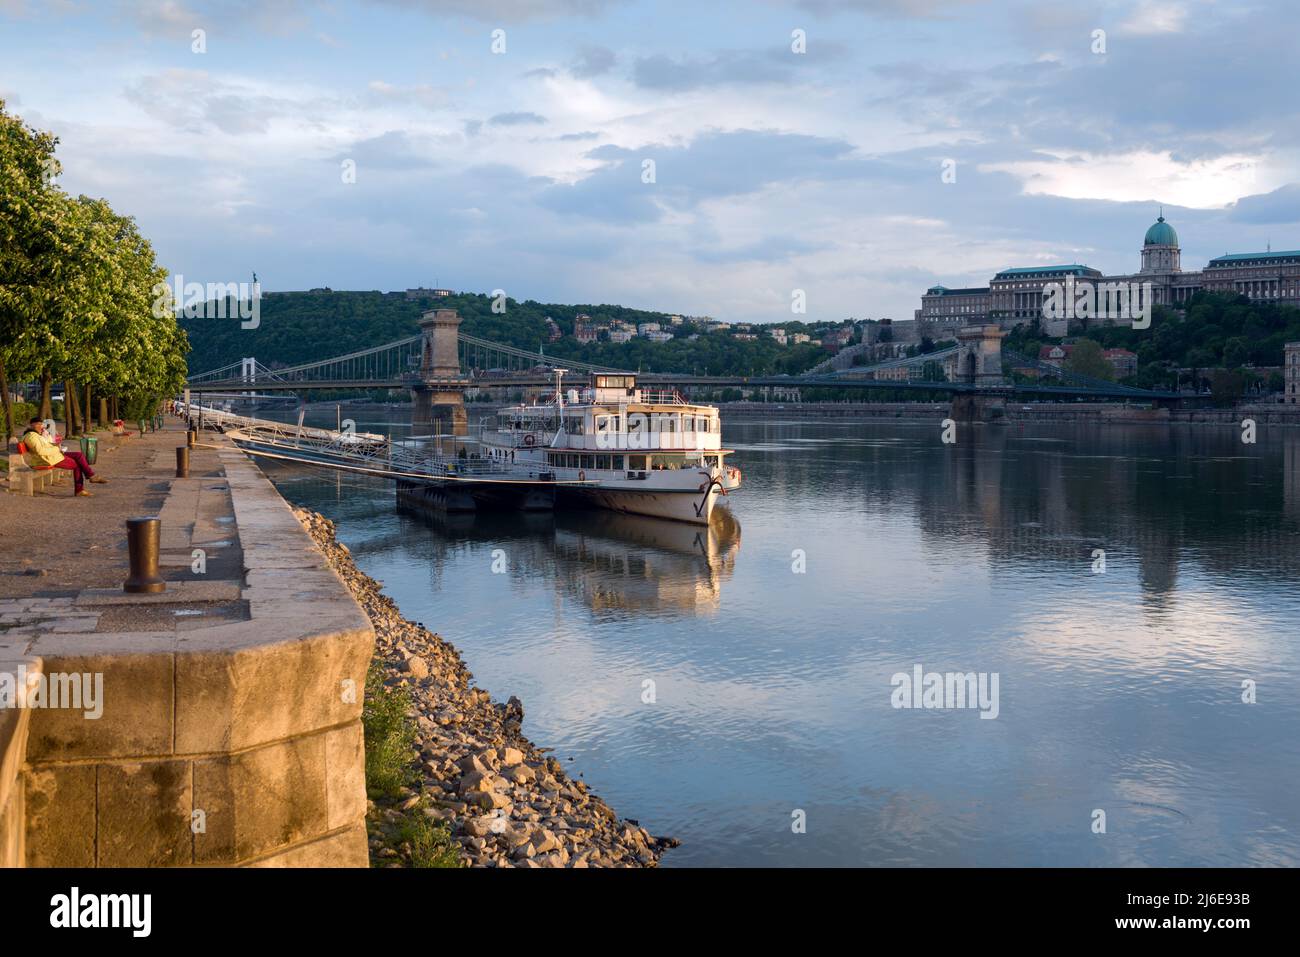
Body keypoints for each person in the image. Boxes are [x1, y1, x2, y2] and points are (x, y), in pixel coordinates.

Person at [20, 417, 106, 497]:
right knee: (77, 464)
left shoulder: (37, 435)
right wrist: (56, 449)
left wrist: (50, 439)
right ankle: (82, 486)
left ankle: (90, 477)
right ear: (31, 425)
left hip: (52, 456)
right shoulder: (31, 436)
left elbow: (46, 444)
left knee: (79, 455)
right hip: (47, 459)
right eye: (37, 424)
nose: (40, 426)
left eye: (41, 424)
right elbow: (40, 451)